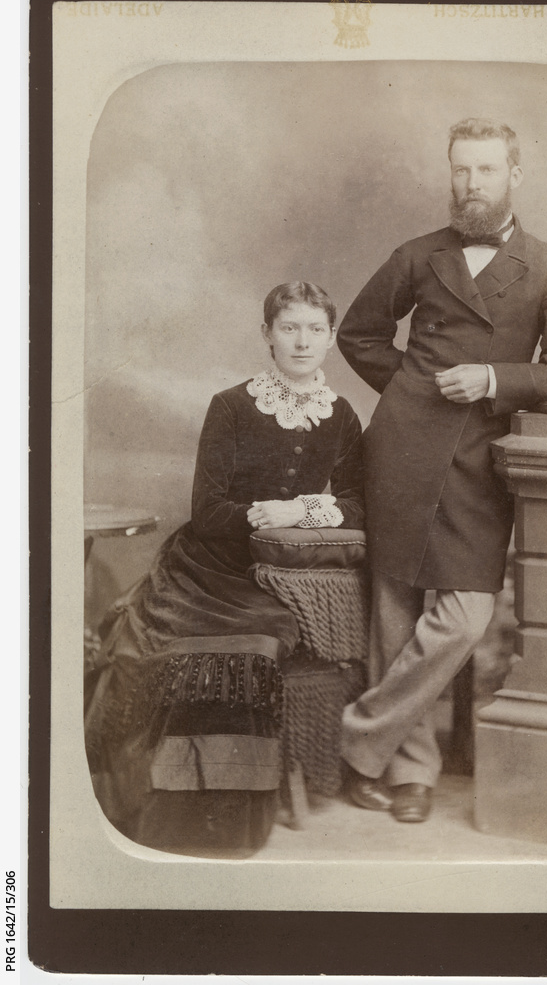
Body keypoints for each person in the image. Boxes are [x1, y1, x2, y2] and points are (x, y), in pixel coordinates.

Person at [338, 118, 547, 823]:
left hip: (480, 464)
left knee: (462, 616)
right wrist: (411, 389)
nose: (470, 185)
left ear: (515, 174)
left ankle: (359, 740)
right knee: (395, 617)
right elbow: (357, 333)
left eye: (485, 170)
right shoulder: (419, 255)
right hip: (400, 451)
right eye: (460, 170)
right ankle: (411, 771)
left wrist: (491, 379)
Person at [84, 282, 364, 857]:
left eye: (315, 329)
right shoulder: (232, 405)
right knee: (222, 651)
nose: (303, 341)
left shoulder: (341, 415)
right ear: (267, 335)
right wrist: (259, 516)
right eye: (289, 328)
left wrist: (297, 510)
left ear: (332, 338)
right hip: (207, 568)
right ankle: (182, 812)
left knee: (263, 643)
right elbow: (207, 512)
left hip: (283, 574)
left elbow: (358, 504)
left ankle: (232, 815)